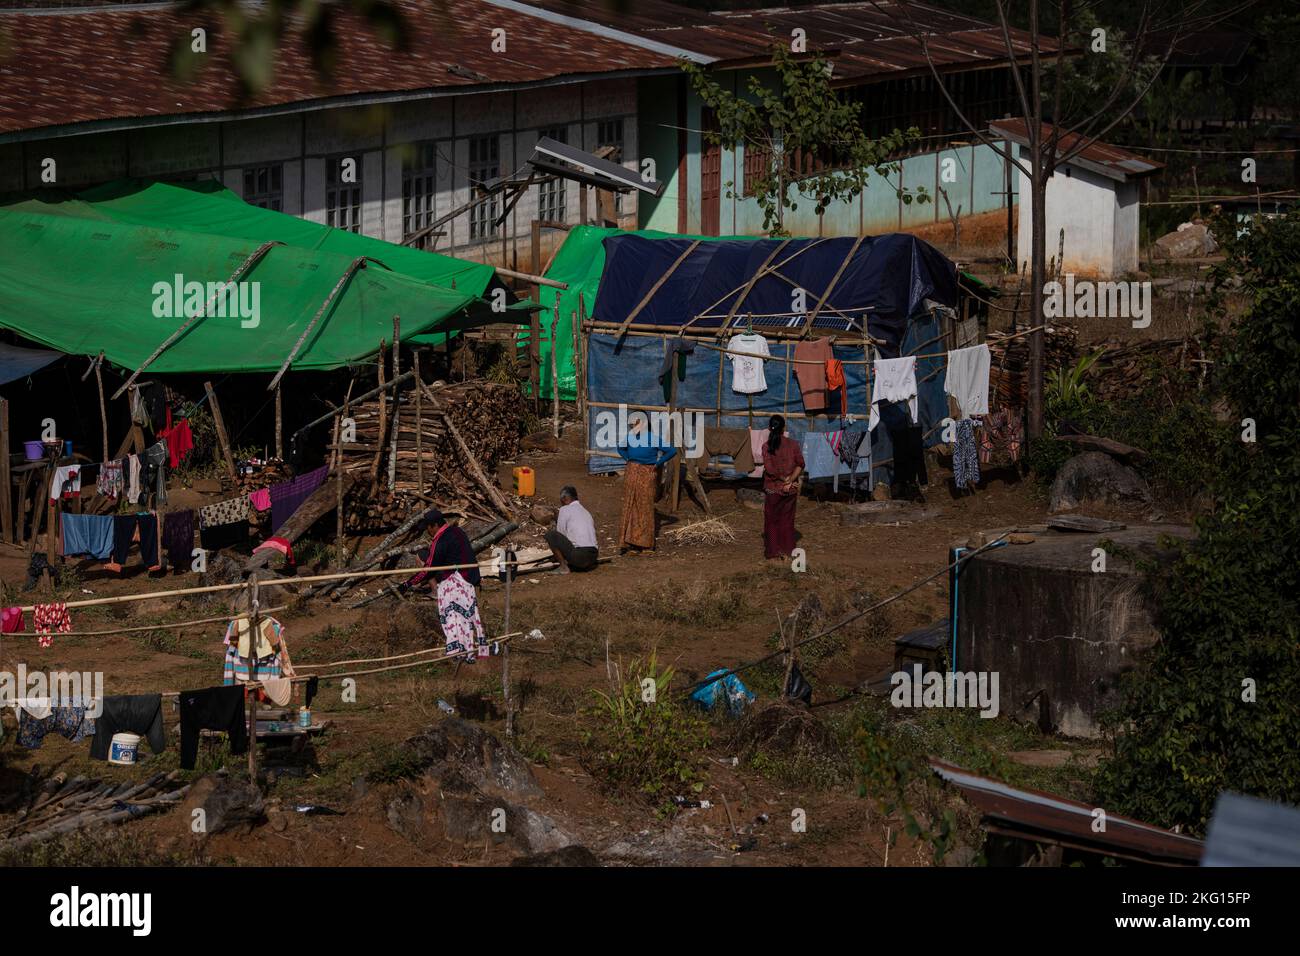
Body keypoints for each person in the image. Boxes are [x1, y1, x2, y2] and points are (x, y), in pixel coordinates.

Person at [407, 509, 490, 662]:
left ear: (434, 525)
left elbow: (428, 570)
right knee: (426, 556)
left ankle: (435, 591)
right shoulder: (456, 531)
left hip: (460, 578)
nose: (428, 531)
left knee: (422, 558)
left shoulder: (440, 541)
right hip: (472, 573)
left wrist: (408, 583)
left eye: (428, 528)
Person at [617, 416, 676, 553]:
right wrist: (629, 460)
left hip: (647, 472)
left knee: (645, 506)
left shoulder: (653, 438)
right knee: (630, 505)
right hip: (631, 472)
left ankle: (646, 544)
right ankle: (630, 543)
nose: (633, 427)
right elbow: (620, 448)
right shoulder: (630, 437)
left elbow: (672, 451)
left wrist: (658, 463)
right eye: (632, 425)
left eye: (636, 424)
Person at [760, 414, 804, 560]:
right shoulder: (793, 444)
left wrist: (783, 480)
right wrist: (790, 480)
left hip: (773, 489)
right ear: (784, 428)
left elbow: (770, 469)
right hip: (790, 489)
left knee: (771, 520)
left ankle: (773, 552)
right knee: (787, 519)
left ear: (769, 428)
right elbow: (800, 464)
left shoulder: (766, 447)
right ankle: (787, 550)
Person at [544, 485, 599, 573]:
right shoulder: (586, 511)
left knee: (551, 535)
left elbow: (560, 534)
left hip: (580, 557)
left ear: (564, 498)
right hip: (593, 556)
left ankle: (563, 567)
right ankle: (577, 564)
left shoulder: (564, 509)